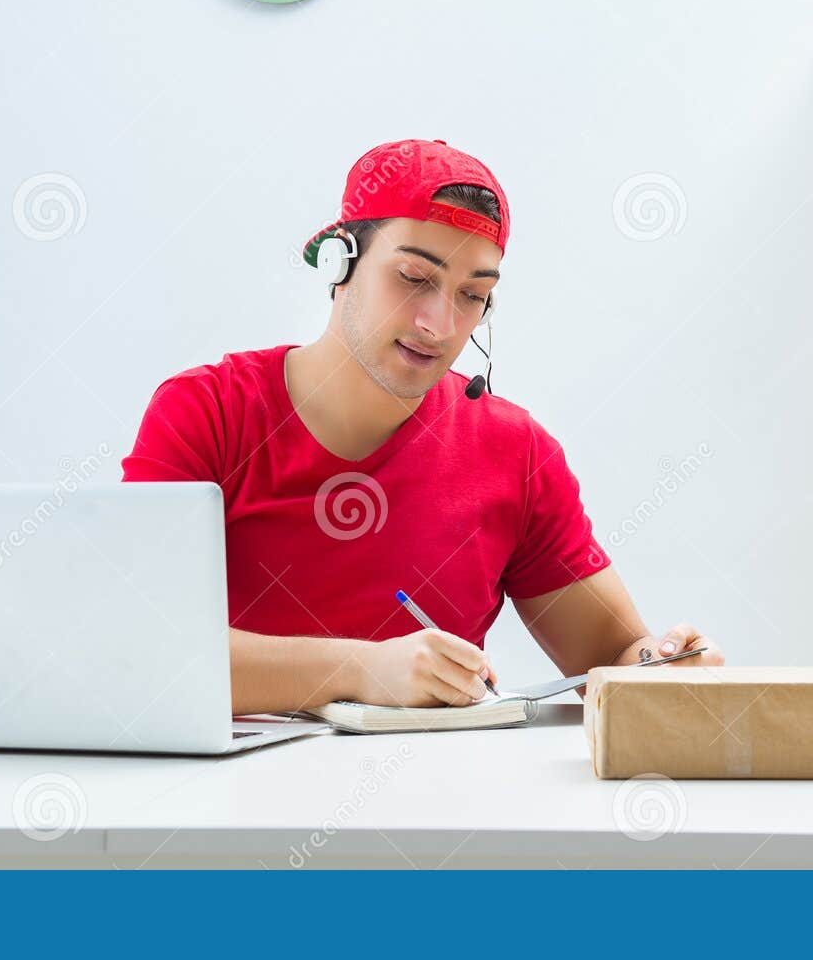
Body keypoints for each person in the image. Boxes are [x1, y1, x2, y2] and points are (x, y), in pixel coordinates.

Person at [122, 138, 723, 714]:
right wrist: (360, 671)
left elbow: (611, 661)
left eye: (473, 295)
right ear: (339, 262)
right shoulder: (208, 412)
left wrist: (664, 672)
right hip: (226, 809)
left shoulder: (515, 451)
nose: (439, 324)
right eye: (414, 278)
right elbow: (139, 648)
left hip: (437, 805)